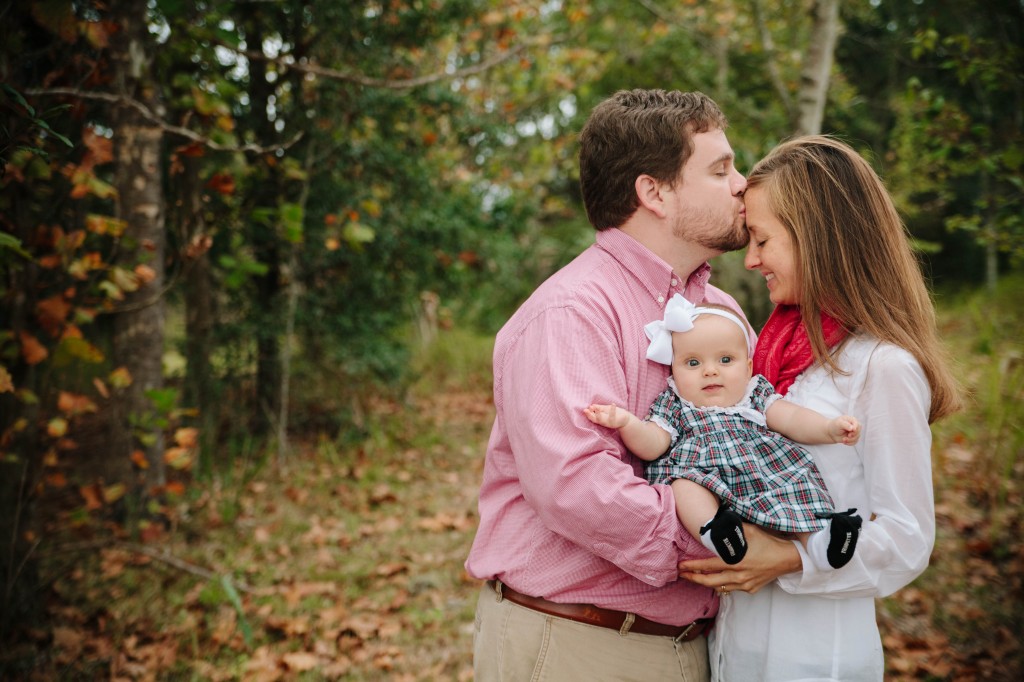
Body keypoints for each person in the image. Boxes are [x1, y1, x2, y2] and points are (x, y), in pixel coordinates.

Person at [465, 89, 753, 680]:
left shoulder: (720, 311)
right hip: (578, 640)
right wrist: (731, 545)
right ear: (654, 192)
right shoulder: (571, 311)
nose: (742, 184)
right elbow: (576, 484)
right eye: (720, 169)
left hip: (702, 643)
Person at [678, 135, 962, 681]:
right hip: (734, 649)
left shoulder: (882, 367)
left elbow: (907, 538)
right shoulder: (766, 356)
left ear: (817, 239)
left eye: (762, 239)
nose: (752, 258)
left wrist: (792, 558)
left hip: (815, 658)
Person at [583, 296, 863, 572]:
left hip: (763, 472)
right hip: (701, 473)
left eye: (726, 359)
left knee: (797, 483)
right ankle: (717, 532)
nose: (710, 371)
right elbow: (653, 445)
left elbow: (791, 417)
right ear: (673, 372)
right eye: (693, 363)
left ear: (748, 368)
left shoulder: (754, 395)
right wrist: (628, 424)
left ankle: (820, 540)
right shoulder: (675, 403)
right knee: (682, 487)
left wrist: (828, 428)